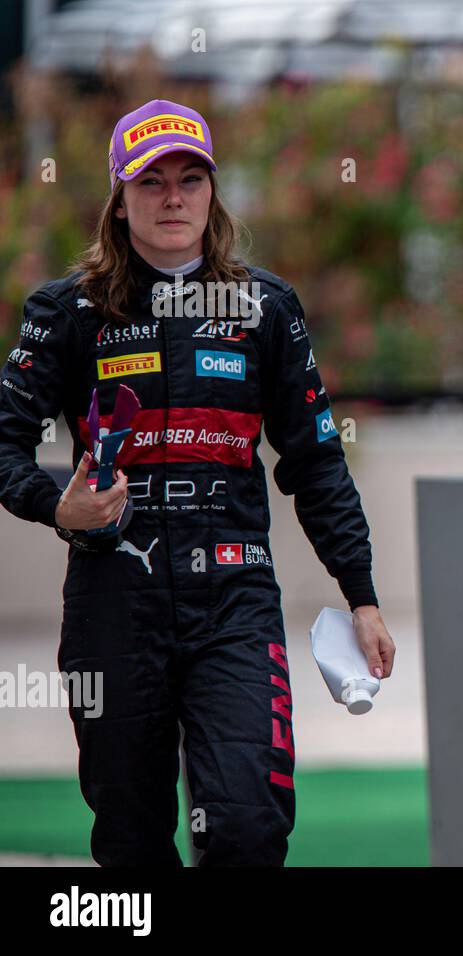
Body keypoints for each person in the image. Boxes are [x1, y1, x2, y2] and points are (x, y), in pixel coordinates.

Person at [0, 99, 395, 866]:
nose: (173, 197)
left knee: (247, 829)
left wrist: (363, 596)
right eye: (152, 182)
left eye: (191, 178)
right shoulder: (67, 311)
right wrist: (59, 503)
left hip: (234, 596)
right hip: (113, 597)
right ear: (120, 199)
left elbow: (315, 464)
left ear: (214, 193)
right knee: (131, 841)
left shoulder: (265, 307)